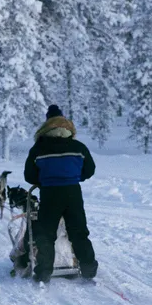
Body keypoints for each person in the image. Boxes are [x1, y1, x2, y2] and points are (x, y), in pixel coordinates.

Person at [23, 104, 98, 283]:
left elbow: (29, 175)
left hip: (49, 194)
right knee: (79, 232)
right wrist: (72, 177)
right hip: (73, 192)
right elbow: (90, 170)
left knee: (46, 234)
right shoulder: (78, 146)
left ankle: (43, 272)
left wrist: (44, 181)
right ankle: (88, 269)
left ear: (47, 125)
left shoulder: (38, 149)